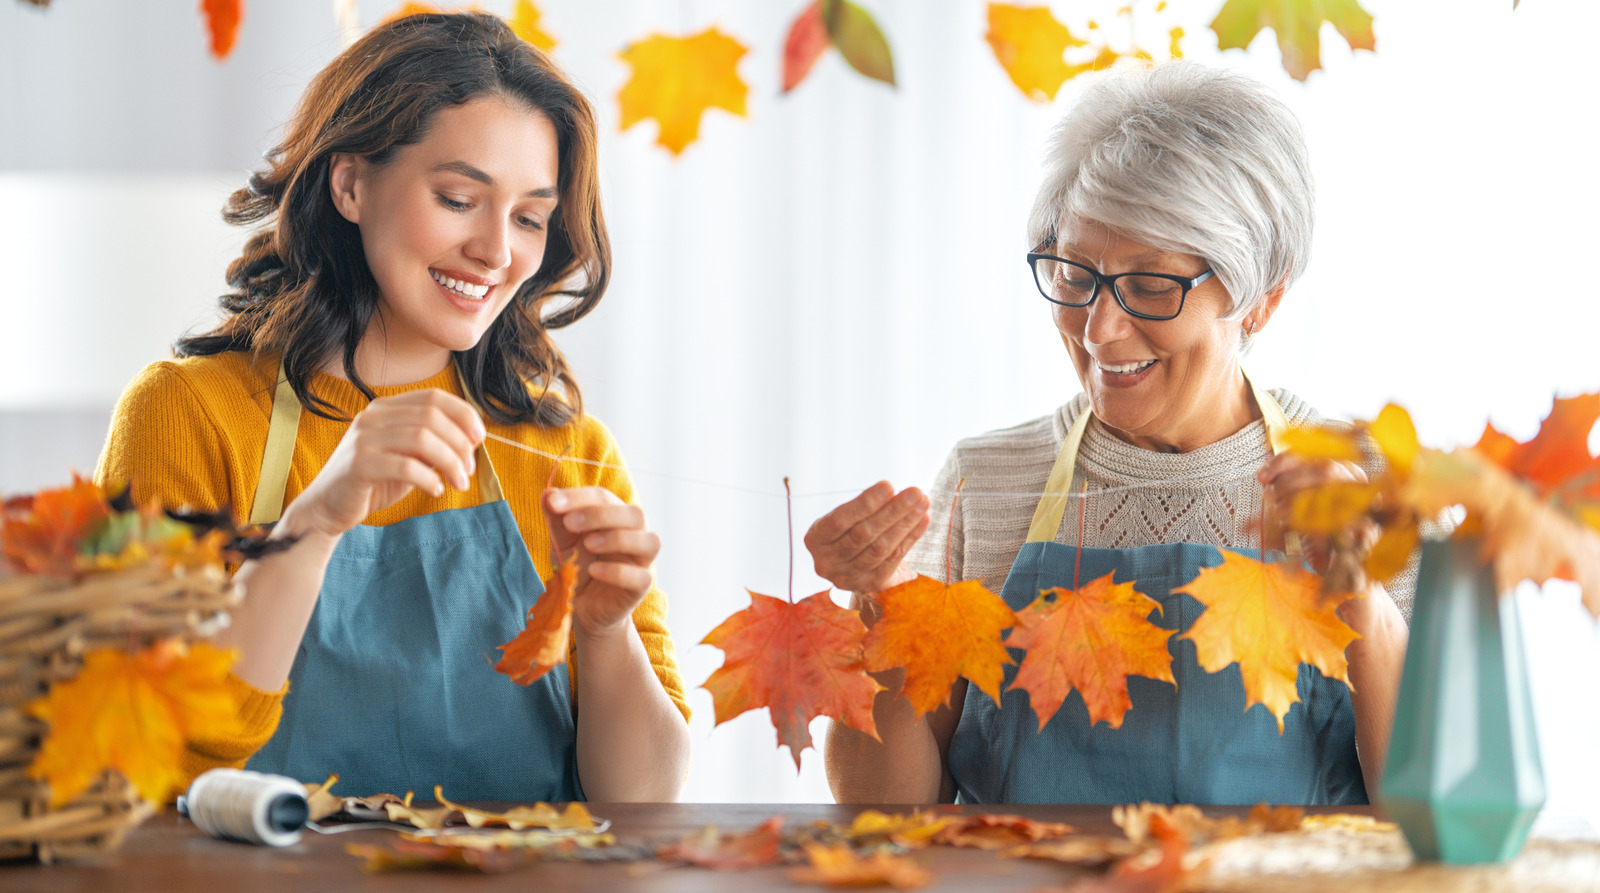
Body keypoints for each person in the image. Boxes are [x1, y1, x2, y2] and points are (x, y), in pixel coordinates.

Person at [96, 12, 690, 802]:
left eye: (529, 218)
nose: (496, 250)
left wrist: (607, 630)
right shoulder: (188, 413)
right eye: (457, 198)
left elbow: (644, 802)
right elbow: (147, 757)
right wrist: (313, 525)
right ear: (350, 183)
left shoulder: (568, 447)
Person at [808, 62, 1409, 806]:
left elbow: (1441, 814)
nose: (1100, 328)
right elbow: (883, 808)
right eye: (1075, 274)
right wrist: (882, 608)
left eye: (1152, 284)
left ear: (1262, 298)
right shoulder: (986, 481)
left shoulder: (1362, 479)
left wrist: (1364, 600)